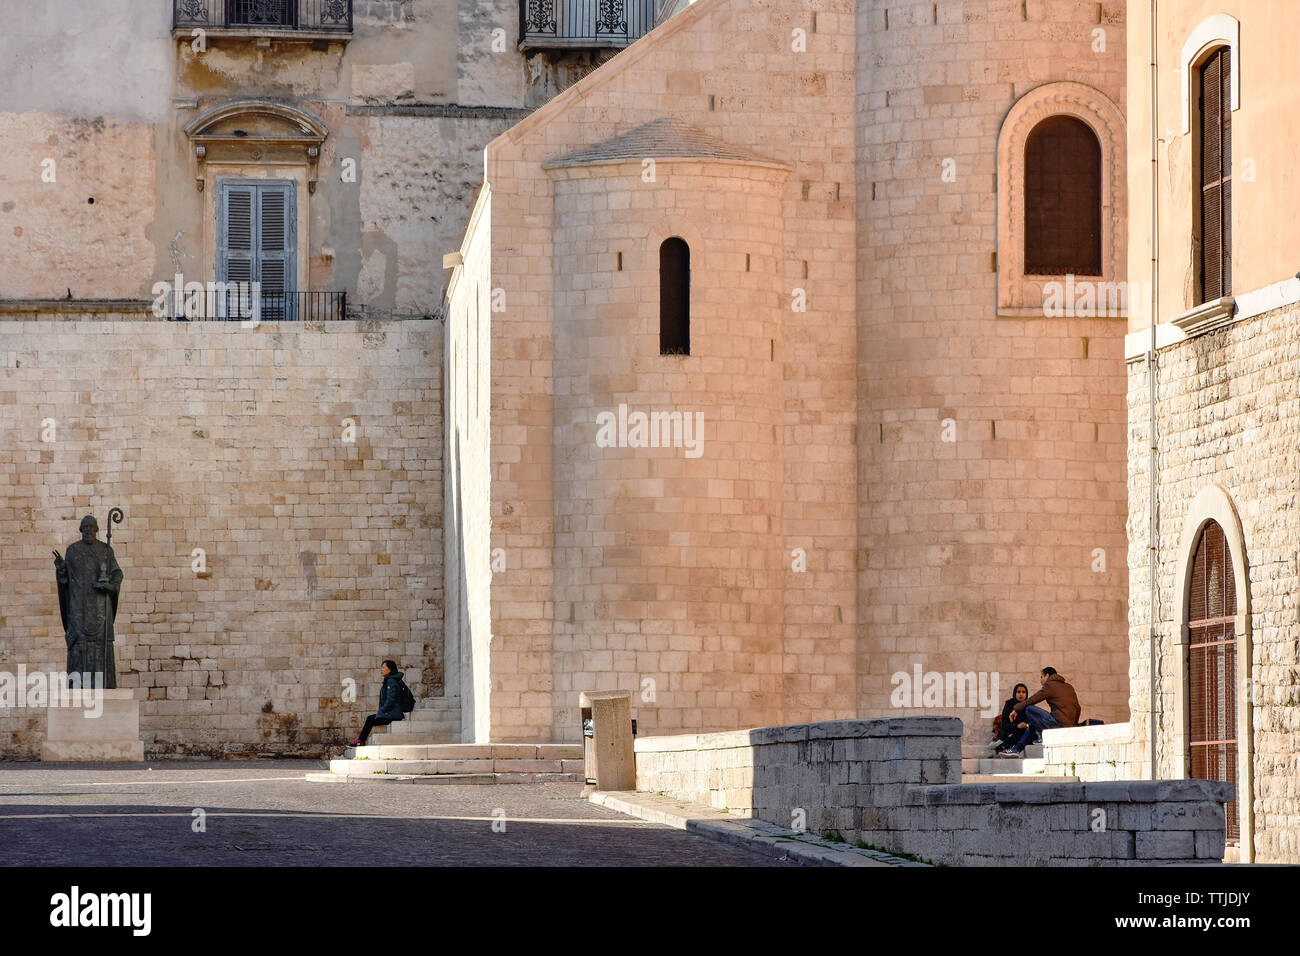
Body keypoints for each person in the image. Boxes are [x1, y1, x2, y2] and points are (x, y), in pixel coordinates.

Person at [1002, 666, 1081, 757]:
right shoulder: (1069, 687)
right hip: (1068, 726)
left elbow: (1033, 699)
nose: (1040, 680)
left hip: (1057, 725)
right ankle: (1016, 749)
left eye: (1041, 677)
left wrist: (1016, 709)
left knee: (1029, 709)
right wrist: (1073, 727)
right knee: (1032, 725)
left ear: (1047, 675)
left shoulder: (1050, 685)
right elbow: (1078, 708)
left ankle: (1042, 736)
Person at [349, 660, 405, 747]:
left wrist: (382, 711)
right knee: (370, 718)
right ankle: (361, 740)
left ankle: (361, 741)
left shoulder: (391, 681)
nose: (381, 669)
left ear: (390, 669)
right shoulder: (390, 680)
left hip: (392, 715)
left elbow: (391, 700)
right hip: (391, 713)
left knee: (370, 719)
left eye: (383, 667)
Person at [992, 682, 1046, 754]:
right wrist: (1017, 726)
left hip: (1026, 731)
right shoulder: (1009, 704)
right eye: (1018, 692)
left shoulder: (1028, 705)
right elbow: (1004, 726)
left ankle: (1012, 748)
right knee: (1019, 732)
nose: (1021, 694)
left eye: (1023, 692)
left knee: (1032, 732)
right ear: (1014, 693)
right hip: (1012, 732)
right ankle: (1004, 747)